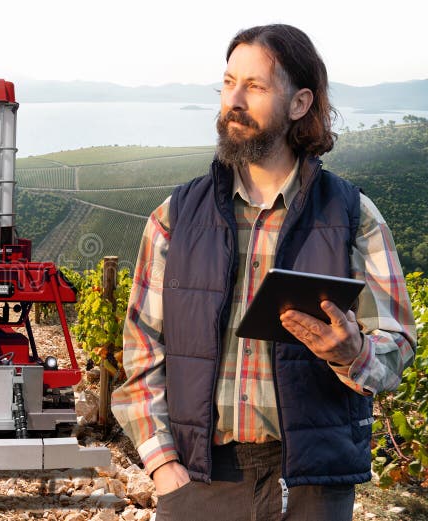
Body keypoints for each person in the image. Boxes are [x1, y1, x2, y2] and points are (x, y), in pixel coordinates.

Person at [111, 24, 416, 521]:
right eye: (228, 83)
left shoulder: (354, 215)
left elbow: (398, 342)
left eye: (254, 87)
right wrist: (164, 467)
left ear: (299, 104)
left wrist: (354, 353)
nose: (234, 99)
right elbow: (142, 348)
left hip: (313, 485)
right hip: (199, 479)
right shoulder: (174, 217)